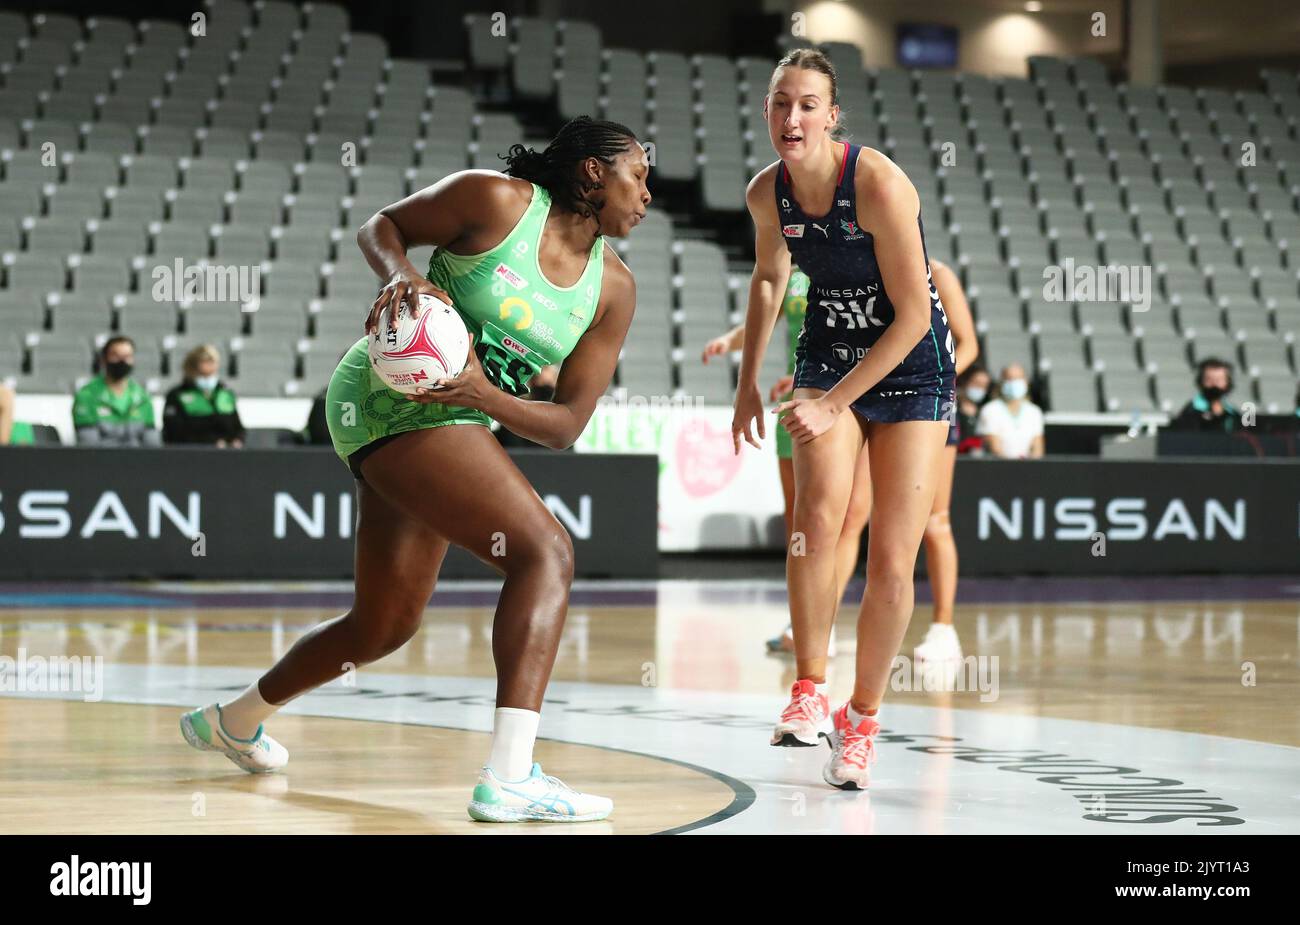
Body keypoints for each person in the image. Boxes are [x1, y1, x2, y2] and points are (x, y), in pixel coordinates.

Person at [179, 116, 649, 824]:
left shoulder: (614, 288)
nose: (647, 192)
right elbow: (383, 225)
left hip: (453, 416)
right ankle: (510, 775)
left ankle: (233, 719)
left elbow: (567, 425)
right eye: (638, 175)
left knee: (384, 623)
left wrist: (489, 397)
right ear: (592, 172)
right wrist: (404, 279)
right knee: (546, 554)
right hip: (383, 391)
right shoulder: (496, 202)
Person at [732, 49, 956, 790]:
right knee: (816, 515)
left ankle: (861, 723)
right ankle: (808, 686)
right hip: (828, 350)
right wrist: (745, 386)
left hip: (912, 361)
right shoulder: (768, 192)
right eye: (779, 104)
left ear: (832, 115)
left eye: (806, 105)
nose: (790, 117)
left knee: (894, 554)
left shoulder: (881, 184)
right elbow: (770, 277)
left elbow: (917, 314)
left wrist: (832, 404)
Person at [710, 258, 977, 667]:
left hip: (923, 396)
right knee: (833, 519)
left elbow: (966, 342)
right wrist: (734, 346)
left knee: (931, 522)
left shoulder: (937, 274)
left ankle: (943, 628)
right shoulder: (836, 275)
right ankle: (822, 626)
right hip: (850, 397)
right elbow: (773, 302)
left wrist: (933, 374)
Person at [72, 336, 160, 446]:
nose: (122, 361)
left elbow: (152, 444)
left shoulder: (143, 397)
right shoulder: (86, 396)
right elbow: (89, 446)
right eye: (116, 356)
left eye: (127, 356)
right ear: (104, 359)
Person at [162, 344, 245, 446]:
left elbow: (237, 426)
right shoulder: (177, 395)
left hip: (226, 454)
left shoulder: (225, 393)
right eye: (205, 362)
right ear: (192, 366)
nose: (210, 366)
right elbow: (173, 432)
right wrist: (211, 442)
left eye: (213, 362)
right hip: (192, 455)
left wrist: (237, 440)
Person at [977, 363, 1044, 459]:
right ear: (1002, 382)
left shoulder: (1035, 412)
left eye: (1018, 378)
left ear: (1026, 381)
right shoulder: (990, 410)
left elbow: (1038, 450)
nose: (1014, 382)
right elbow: (995, 449)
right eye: (1009, 378)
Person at [1169, 357, 1239, 433]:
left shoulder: (1233, 414)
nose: (1214, 384)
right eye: (1209, 379)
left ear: (1227, 382)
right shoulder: (1190, 411)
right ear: (1201, 381)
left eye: (1219, 380)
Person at [954, 363, 991, 454]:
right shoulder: (950, 407)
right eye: (976, 383)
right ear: (964, 382)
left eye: (984, 386)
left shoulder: (985, 410)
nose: (980, 388)